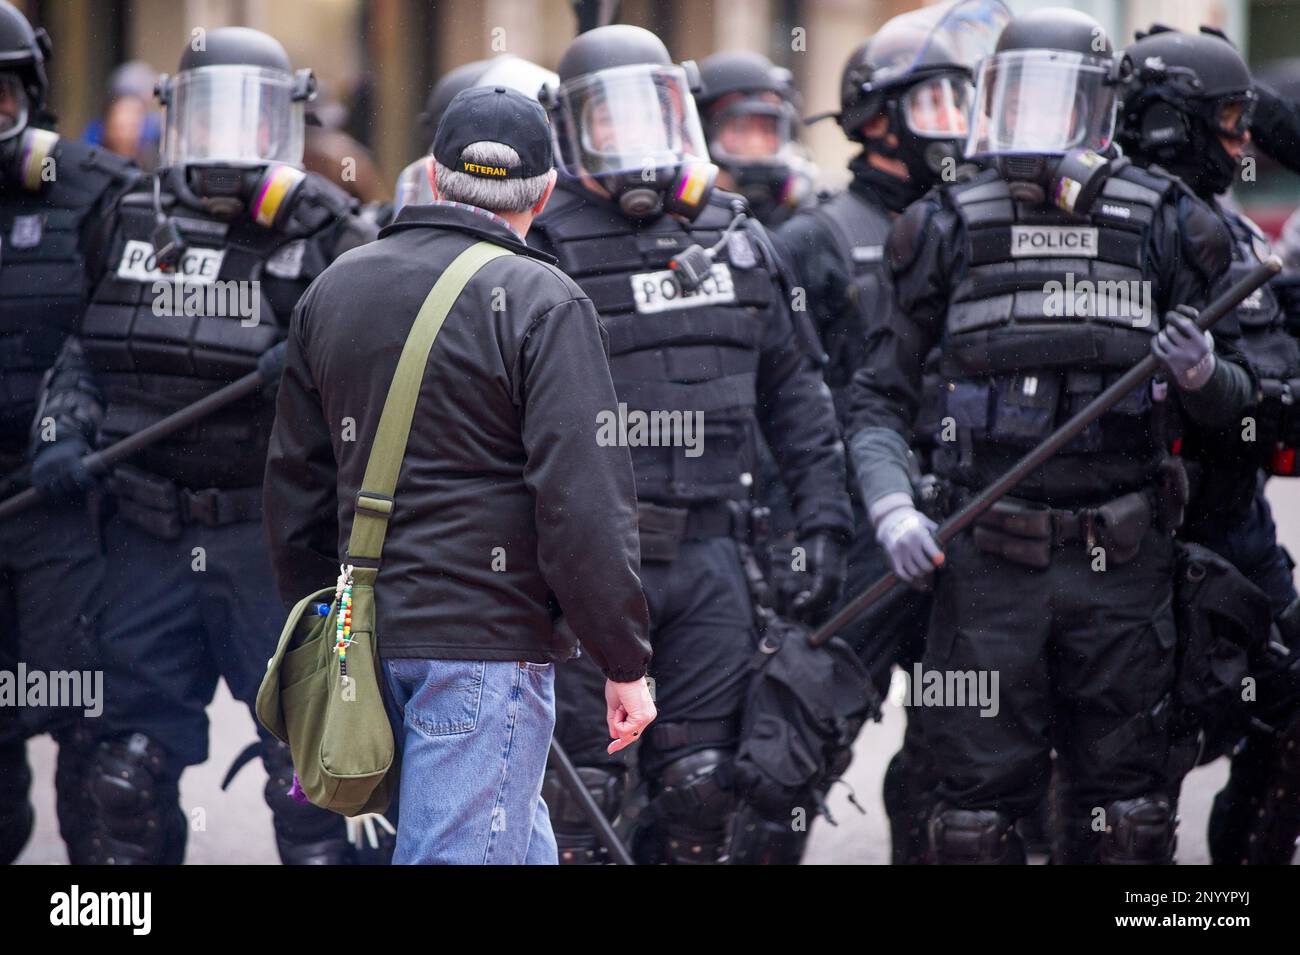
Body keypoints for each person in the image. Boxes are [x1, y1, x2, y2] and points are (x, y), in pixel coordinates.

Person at [847, 7, 1254, 864]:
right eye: (1015, 100)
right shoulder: (942, 228)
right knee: (972, 825)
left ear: (1101, 111)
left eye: (1056, 104)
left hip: (1127, 570)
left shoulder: (1172, 225)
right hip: (986, 568)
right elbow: (876, 399)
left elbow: (1244, 415)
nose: (1033, 126)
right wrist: (890, 508)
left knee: (1130, 821)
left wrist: (1203, 378)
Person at [264, 85, 656, 865]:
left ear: (435, 178)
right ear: (544, 193)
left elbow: (294, 488)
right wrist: (624, 658)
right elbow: (582, 506)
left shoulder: (334, 288)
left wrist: (334, 635)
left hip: (363, 637)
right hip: (482, 649)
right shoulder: (546, 301)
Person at [33, 27, 377, 865]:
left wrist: (311, 365)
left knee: (309, 775)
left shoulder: (329, 232)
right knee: (121, 779)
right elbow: (84, 348)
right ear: (173, 118)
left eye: (249, 120)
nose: (228, 141)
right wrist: (62, 430)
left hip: (269, 545)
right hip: (145, 533)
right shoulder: (127, 216)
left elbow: (379, 387)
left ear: (286, 122)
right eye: (208, 116)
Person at [528, 24, 852, 864]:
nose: (631, 142)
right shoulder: (537, 244)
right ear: (569, 130)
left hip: (711, 555)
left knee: (704, 791)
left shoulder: (738, 238)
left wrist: (823, 525)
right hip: (584, 566)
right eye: (607, 121)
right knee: (578, 803)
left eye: (649, 115)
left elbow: (798, 397)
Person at [750, 0, 1009, 866]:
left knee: (961, 776)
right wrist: (801, 533)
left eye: (964, 101)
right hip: (859, 532)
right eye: (934, 102)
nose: (956, 124)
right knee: (787, 755)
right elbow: (775, 400)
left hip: (965, 525)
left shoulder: (984, 226)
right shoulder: (813, 238)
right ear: (876, 118)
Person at [1116, 25, 1300, 865]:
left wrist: (1219, 385)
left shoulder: (1240, 244)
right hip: (1112, 548)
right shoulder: (1095, 228)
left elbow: (1281, 405)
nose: (1242, 145)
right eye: (1227, 124)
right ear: (1169, 124)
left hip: (1230, 541)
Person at [0, 1, 139, 865]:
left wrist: (69, 426)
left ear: (31, 93)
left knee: (99, 742)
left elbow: (127, 331)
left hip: (65, 500)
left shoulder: (96, 189)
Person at [695, 50, 814, 228]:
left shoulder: (805, 219)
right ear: (703, 132)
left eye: (767, 128)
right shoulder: (677, 219)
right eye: (740, 128)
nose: (756, 143)